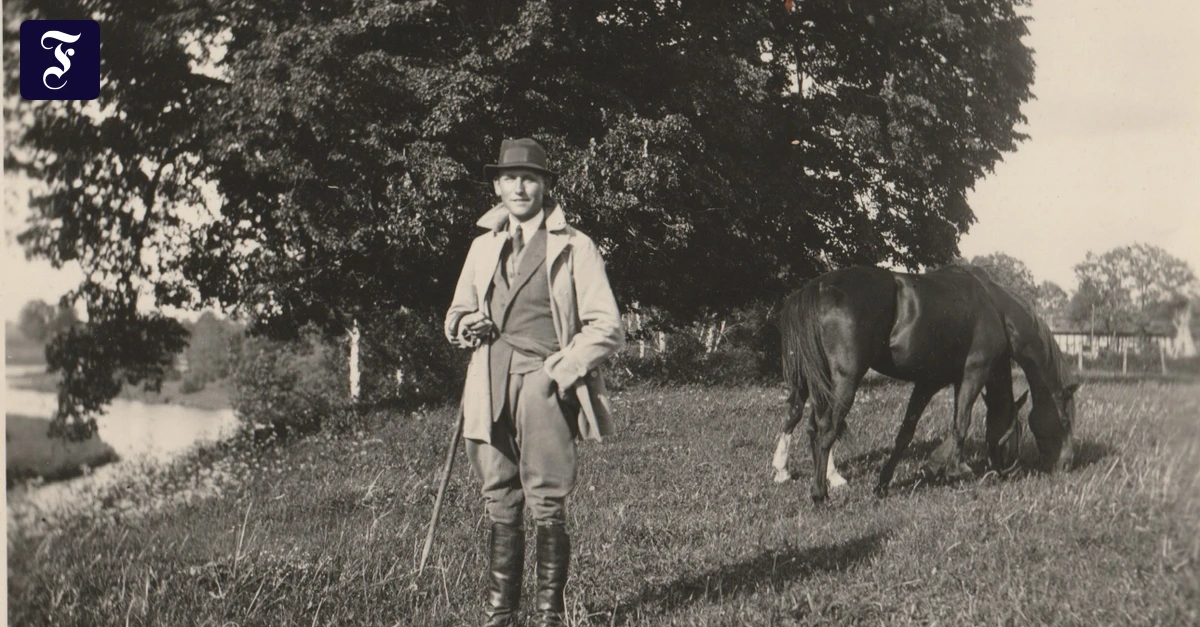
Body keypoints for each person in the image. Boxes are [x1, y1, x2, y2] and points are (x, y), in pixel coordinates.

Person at [444, 137, 624, 627]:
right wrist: (466, 326)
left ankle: (549, 615)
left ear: (545, 186)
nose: (519, 187)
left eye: (530, 178)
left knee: (546, 496)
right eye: (509, 178)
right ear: (498, 187)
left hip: (543, 386)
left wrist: (559, 372)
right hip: (486, 383)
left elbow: (607, 326)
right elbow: (457, 312)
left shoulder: (575, 247)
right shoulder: (483, 247)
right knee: (498, 492)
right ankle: (500, 614)